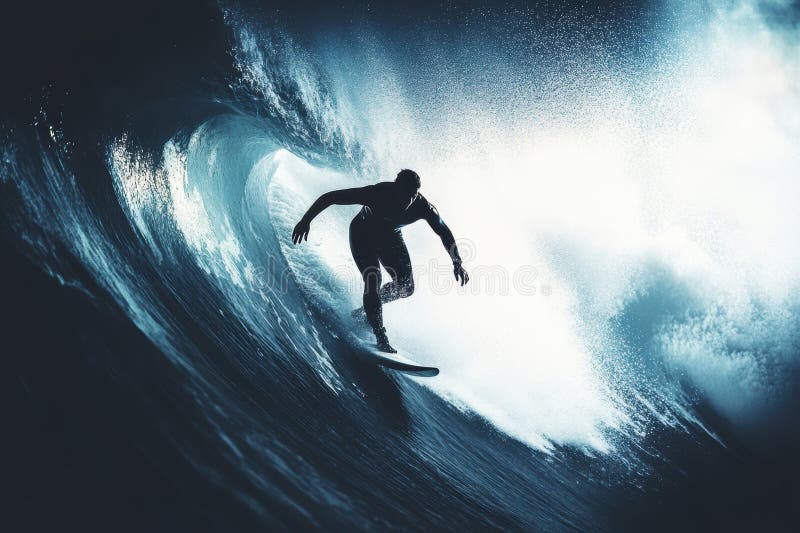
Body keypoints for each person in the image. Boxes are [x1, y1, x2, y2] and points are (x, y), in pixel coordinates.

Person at [292, 169, 469, 353]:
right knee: (373, 279)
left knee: (406, 287)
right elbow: (330, 197)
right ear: (395, 187)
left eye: (412, 196)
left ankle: (365, 312)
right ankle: (380, 335)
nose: (407, 201)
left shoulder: (423, 207)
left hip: (391, 238)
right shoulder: (376, 193)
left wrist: (457, 262)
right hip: (362, 234)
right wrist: (306, 220)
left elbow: (443, 231)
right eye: (404, 195)